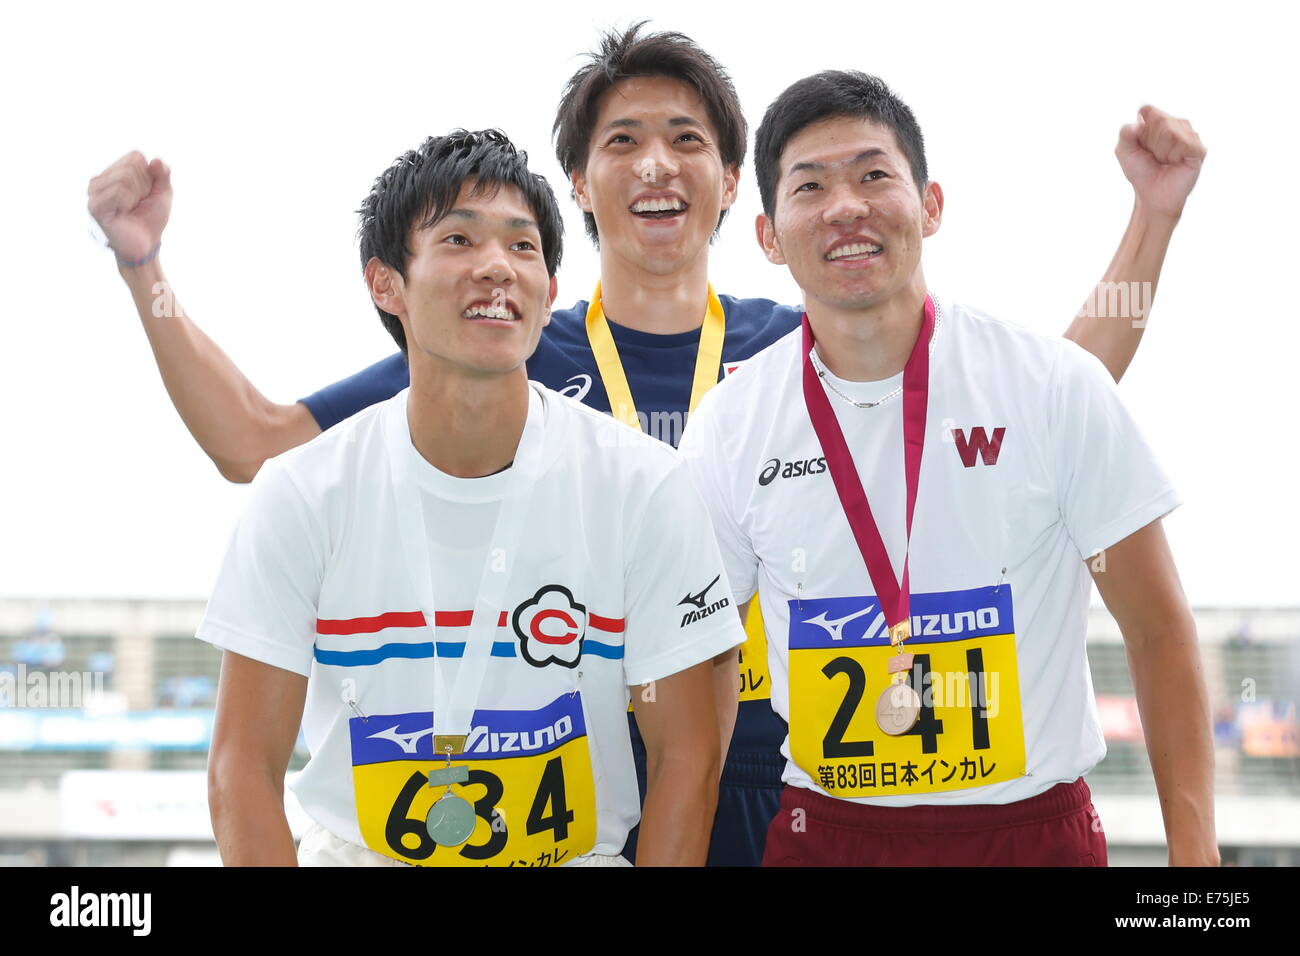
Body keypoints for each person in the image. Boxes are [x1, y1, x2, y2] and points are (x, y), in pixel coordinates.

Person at [87, 24, 1205, 866]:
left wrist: (1150, 222)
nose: (658, 163)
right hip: (610, 752)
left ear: (732, 188)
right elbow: (256, 443)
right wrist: (147, 271)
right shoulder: (499, 348)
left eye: (689, 141)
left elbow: (1035, 402)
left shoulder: (799, 343)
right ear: (579, 183)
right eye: (622, 141)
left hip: (778, 753)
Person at [676, 70, 1217, 866]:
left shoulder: (1050, 383)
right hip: (827, 838)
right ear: (768, 236)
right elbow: (698, 667)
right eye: (810, 186)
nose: (845, 206)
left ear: (931, 206)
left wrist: (1196, 861)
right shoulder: (731, 425)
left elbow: (1159, 631)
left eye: (873, 175)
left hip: (1033, 835)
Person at [197, 129, 746, 867]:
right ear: (386, 283)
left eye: (523, 246)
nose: (496, 267)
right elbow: (241, 768)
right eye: (458, 239)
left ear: (549, 294)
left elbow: (686, 756)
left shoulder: (644, 486)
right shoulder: (301, 493)